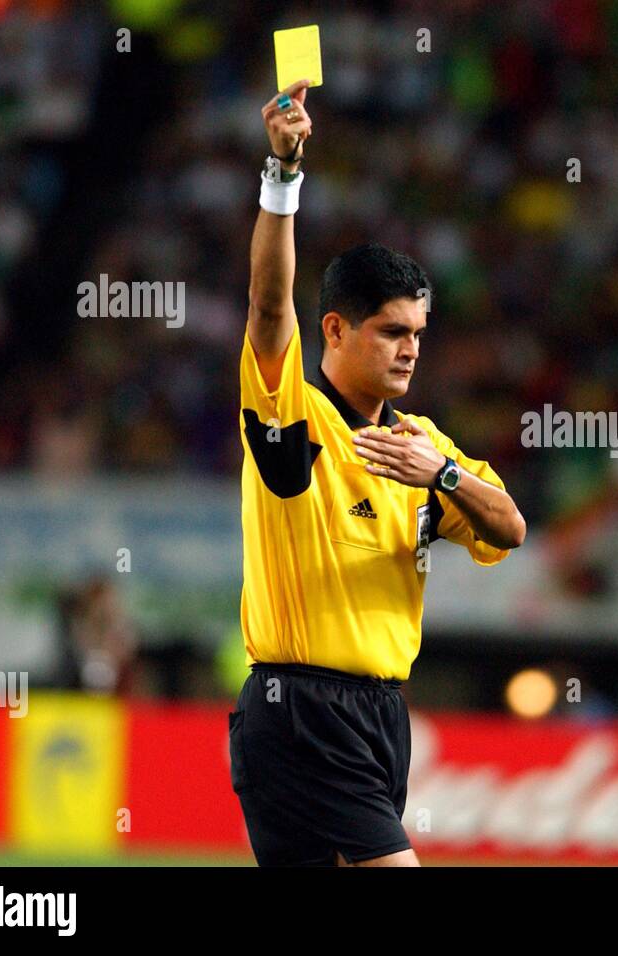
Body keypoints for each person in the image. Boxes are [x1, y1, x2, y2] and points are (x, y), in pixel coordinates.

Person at [230, 80, 526, 867]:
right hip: (300, 708)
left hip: (379, 714)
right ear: (335, 328)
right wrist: (282, 174)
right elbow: (266, 306)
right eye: (392, 330)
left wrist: (446, 479)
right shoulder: (293, 412)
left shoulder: (424, 445)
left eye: (419, 333)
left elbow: (512, 528)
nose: (410, 349)